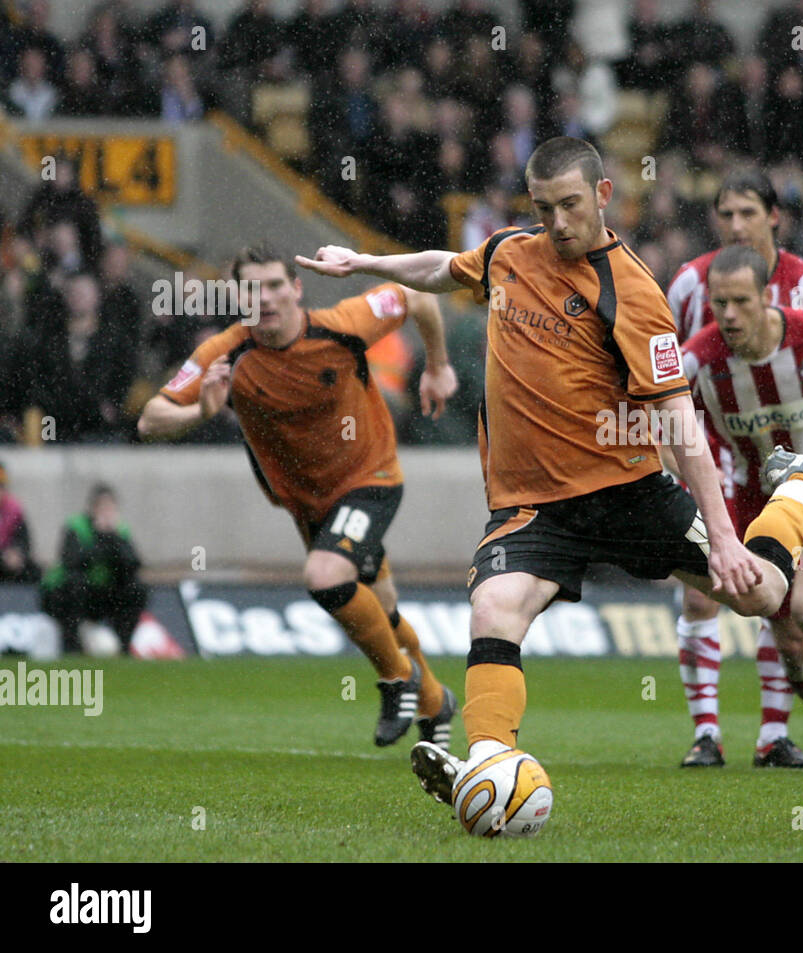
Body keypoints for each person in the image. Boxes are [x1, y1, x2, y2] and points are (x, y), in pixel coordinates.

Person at [294, 136, 803, 812]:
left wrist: (723, 534)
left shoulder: (631, 291)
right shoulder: (509, 253)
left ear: (602, 195)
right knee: (493, 606)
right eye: (544, 208)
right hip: (535, 505)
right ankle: (485, 763)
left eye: (569, 205)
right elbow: (445, 268)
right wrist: (364, 262)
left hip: (628, 493)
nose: (557, 222)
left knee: (762, 592)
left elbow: (680, 420)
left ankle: (799, 484)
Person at [137, 245, 459, 749]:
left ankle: (398, 680)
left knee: (325, 575)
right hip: (311, 505)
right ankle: (437, 703)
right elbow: (150, 419)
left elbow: (417, 296)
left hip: (370, 478)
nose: (263, 299)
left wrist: (437, 366)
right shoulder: (227, 353)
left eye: (274, 286)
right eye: (250, 289)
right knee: (384, 611)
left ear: (297, 288)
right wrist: (198, 412)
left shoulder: (344, 324)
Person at [666, 170, 803, 769]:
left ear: (775, 217)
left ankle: (773, 736)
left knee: (781, 599)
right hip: (710, 450)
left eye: (747, 212)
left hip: (786, 461)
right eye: (726, 214)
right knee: (702, 589)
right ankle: (705, 734)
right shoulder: (689, 285)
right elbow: (663, 372)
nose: (735, 225)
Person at [682, 244, 803, 771]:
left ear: (767, 297)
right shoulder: (699, 358)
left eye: (741, 301)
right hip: (758, 496)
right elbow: (665, 413)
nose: (728, 315)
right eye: (719, 302)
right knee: (788, 637)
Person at [39, 484, 145, 654]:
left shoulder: (120, 530)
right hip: (66, 594)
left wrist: (114, 537)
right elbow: (73, 561)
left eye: (110, 508)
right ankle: (71, 646)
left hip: (102, 593)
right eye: (102, 507)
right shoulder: (76, 526)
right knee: (76, 583)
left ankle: (124, 646)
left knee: (136, 588)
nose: (106, 512)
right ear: (92, 508)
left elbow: (133, 564)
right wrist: (100, 537)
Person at [0, 461, 41, 584]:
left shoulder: (13, 510)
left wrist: (17, 552)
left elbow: (24, 539)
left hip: (7, 559)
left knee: (33, 571)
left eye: (2, 487)